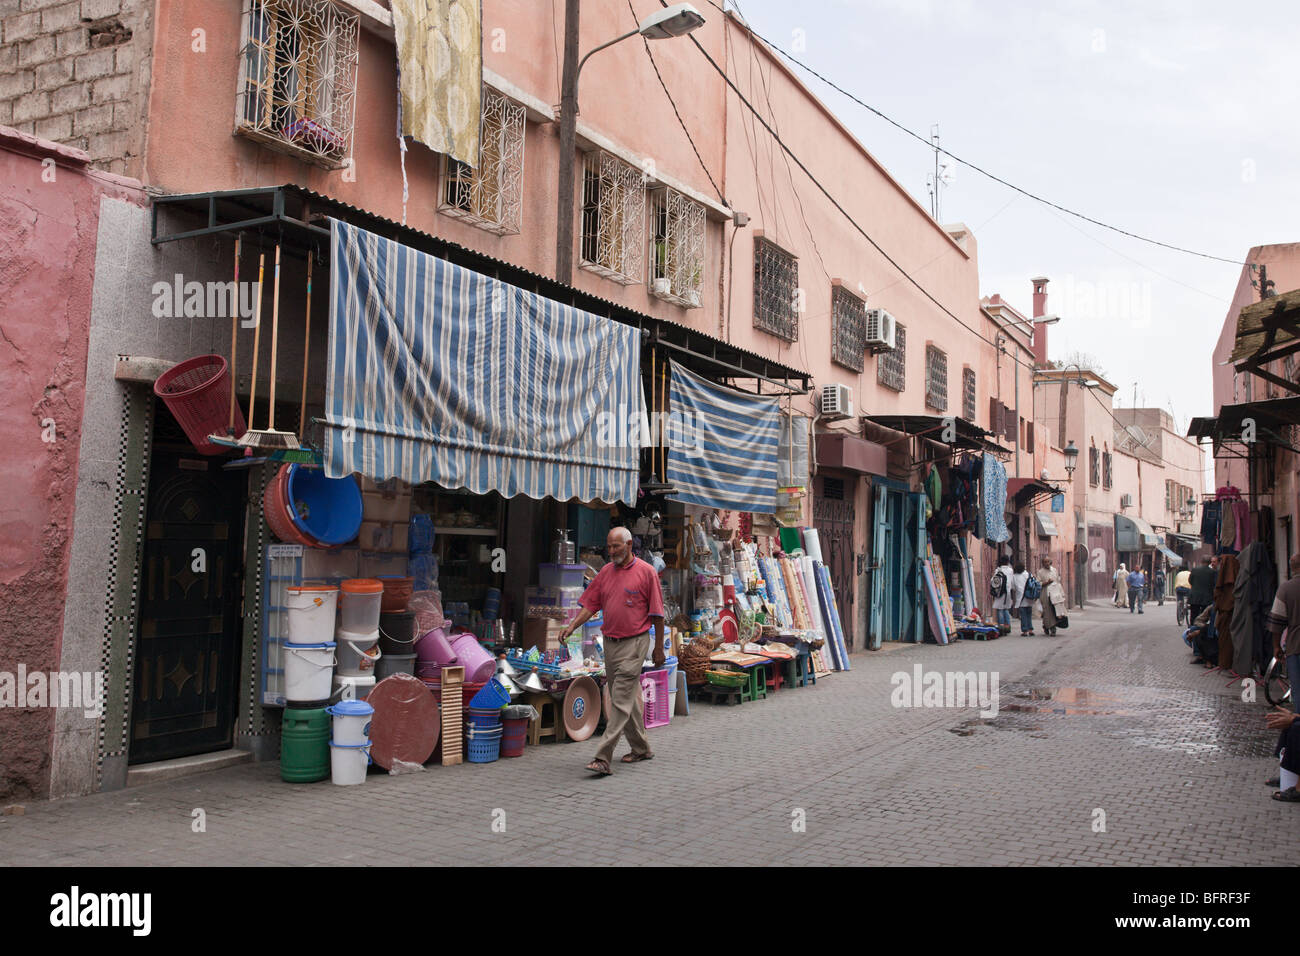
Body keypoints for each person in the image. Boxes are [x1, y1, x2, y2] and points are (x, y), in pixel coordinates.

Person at [561, 527, 665, 777]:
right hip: (610, 643)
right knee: (625, 696)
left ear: (629, 545)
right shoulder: (606, 572)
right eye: (608, 546)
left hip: (635, 642)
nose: (611, 551)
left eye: (616, 546)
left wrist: (659, 648)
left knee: (619, 698)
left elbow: (658, 616)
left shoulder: (647, 572)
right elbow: (591, 604)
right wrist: (572, 625)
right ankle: (641, 748)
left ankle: (602, 756)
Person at [1264, 553, 1300, 798]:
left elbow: (1276, 621)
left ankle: (1292, 776)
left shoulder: (1288, 588)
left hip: (1297, 651)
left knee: (1296, 715)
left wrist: (1277, 647)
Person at [1036, 555, 1063, 636]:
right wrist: (1047, 583)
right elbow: (1038, 584)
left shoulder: (1054, 570)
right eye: (1045, 562)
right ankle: (1050, 627)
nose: (1046, 563)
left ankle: (1050, 626)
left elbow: (1058, 581)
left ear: (1050, 562)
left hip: (1055, 593)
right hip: (1045, 593)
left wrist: (1061, 593)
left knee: (1054, 610)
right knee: (1047, 611)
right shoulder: (1040, 572)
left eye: (1048, 562)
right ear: (1042, 563)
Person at [991, 553, 1015, 632]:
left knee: (999, 609)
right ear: (1008, 561)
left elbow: (993, 581)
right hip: (1008, 592)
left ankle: (1001, 626)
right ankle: (1007, 626)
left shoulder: (998, 570)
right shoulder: (1011, 570)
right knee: (1006, 609)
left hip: (1000, 592)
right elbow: (1012, 582)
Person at [1188, 555, 1216, 624]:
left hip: (1195, 596)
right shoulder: (1212, 572)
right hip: (1207, 597)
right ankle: (1201, 629)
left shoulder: (1195, 570)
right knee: (1204, 615)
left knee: (1193, 614)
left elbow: (1190, 581)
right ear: (1210, 562)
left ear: (1201, 561)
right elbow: (1214, 584)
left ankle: (1192, 627)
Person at [1011, 560, 1032, 635]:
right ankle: (1030, 630)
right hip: (1029, 597)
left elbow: (1013, 587)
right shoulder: (1028, 574)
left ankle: (1025, 630)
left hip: (1020, 598)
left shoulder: (1014, 576)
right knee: (1029, 614)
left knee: (1023, 615)